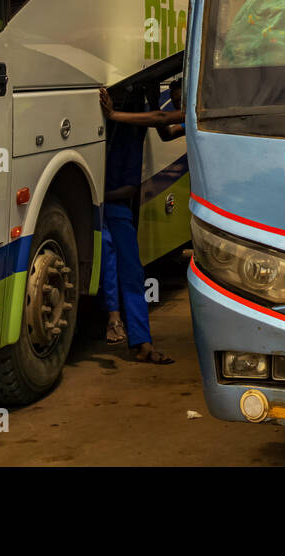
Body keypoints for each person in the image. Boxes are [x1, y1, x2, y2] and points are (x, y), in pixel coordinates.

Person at [99, 81, 185, 363]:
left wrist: (113, 116)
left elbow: (160, 119)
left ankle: (131, 333)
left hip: (112, 206)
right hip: (112, 207)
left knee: (124, 265)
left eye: (176, 95)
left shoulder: (197, 110)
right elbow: (164, 130)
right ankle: (133, 335)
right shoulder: (131, 132)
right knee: (121, 264)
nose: (172, 98)